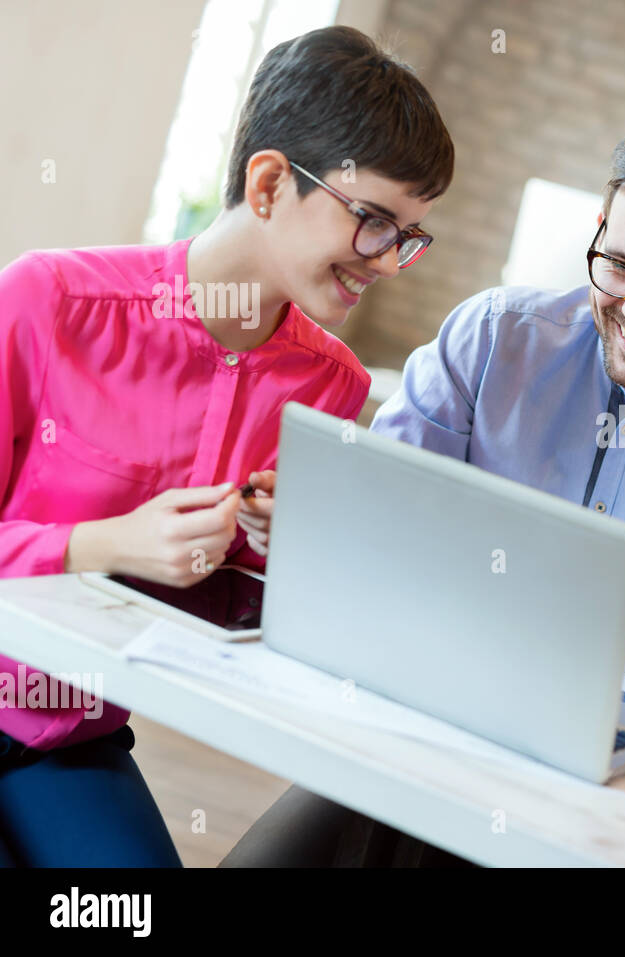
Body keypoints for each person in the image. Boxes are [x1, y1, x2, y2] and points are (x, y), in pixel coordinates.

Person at [225, 117, 625, 867]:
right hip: (426, 717)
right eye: (622, 266)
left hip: (606, 777)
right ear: (597, 233)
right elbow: (379, 529)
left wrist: (494, 594)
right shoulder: (493, 335)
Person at [0, 25, 454, 866]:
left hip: (65, 741)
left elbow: (247, 616)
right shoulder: (49, 300)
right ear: (272, 181)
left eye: (409, 236)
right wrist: (100, 543)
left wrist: (282, 562)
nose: (390, 263)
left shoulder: (333, 387)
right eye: (373, 223)